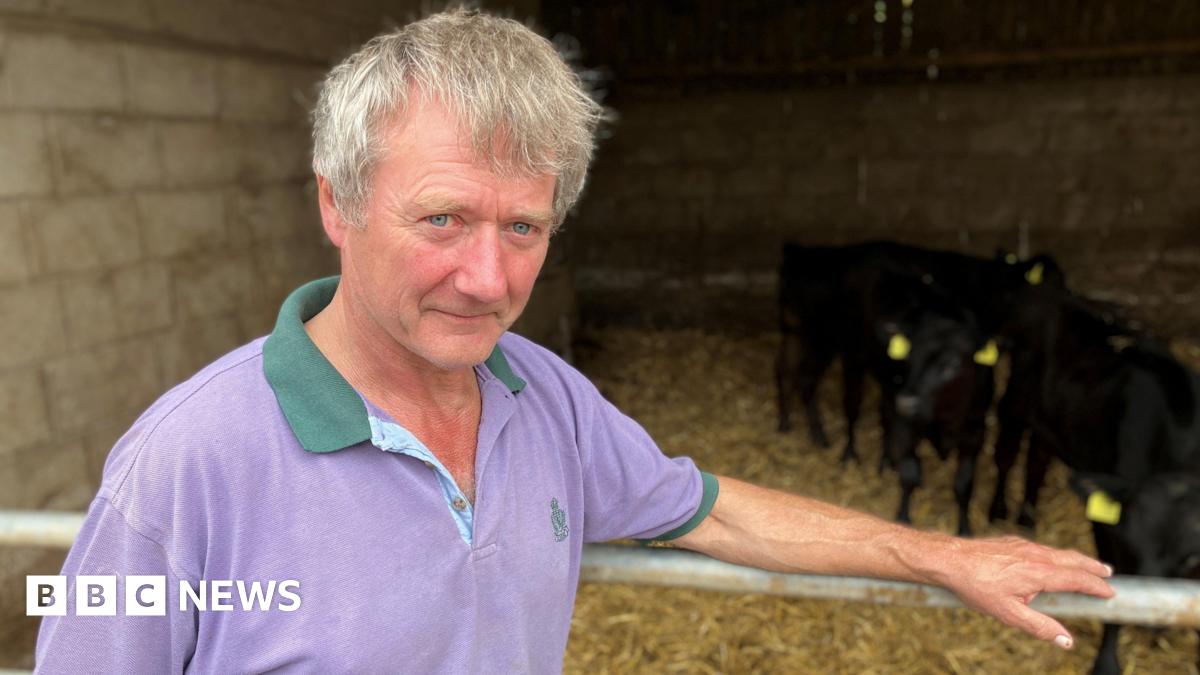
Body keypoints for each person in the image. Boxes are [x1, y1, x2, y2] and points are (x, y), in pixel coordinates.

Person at [35, 8, 1113, 673]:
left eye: (525, 228)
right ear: (338, 203)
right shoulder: (183, 468)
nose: (491, 279)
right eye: (444, 220)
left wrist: (939, 554)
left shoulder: (540, 398)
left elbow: (709, 506)